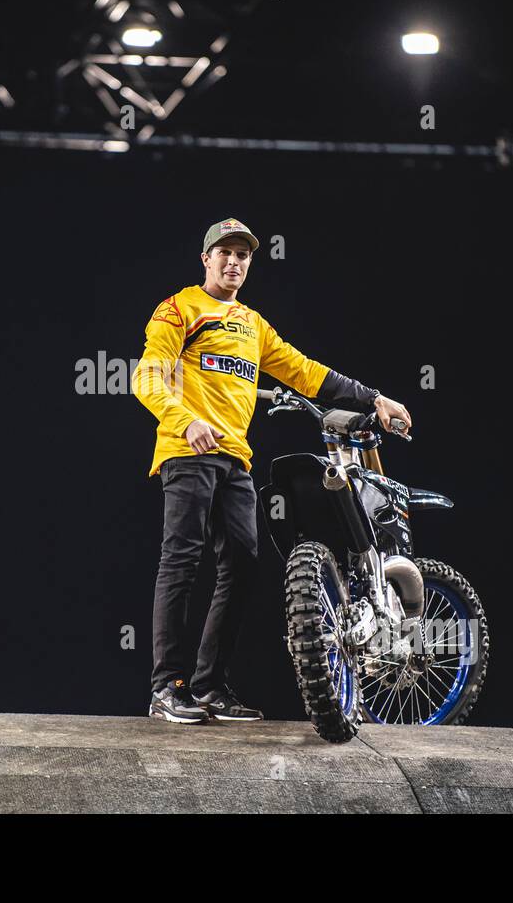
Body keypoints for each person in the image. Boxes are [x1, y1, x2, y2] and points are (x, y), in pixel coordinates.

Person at [130, 217, 413, 724]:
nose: (234, 262)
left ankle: (210, 686)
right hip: (186, 450)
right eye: (225, 253)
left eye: (243, 255)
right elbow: (147, 376)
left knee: (243, 564)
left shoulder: (253, 325)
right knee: (181, 562)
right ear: (206, 260)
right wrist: (185, 419)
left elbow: (305, 372)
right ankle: (165, 689)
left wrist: (375, 398)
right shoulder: (180, 308)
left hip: (235, 459)